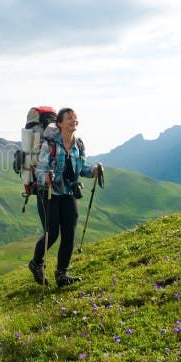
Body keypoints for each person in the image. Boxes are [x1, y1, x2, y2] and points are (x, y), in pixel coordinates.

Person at [27, 107, 103, 287]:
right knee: (51, 233)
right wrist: (45, 177)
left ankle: (62, 274)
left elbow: (81, 169)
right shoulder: (50, 145)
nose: (73, 120)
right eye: (69, 117)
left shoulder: (79, 145)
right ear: (59, 123)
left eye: (75, 117)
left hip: (68, 192)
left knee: (69, 233)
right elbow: (39, 170)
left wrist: (94, 171)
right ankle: (36, 264)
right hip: (49, 193)